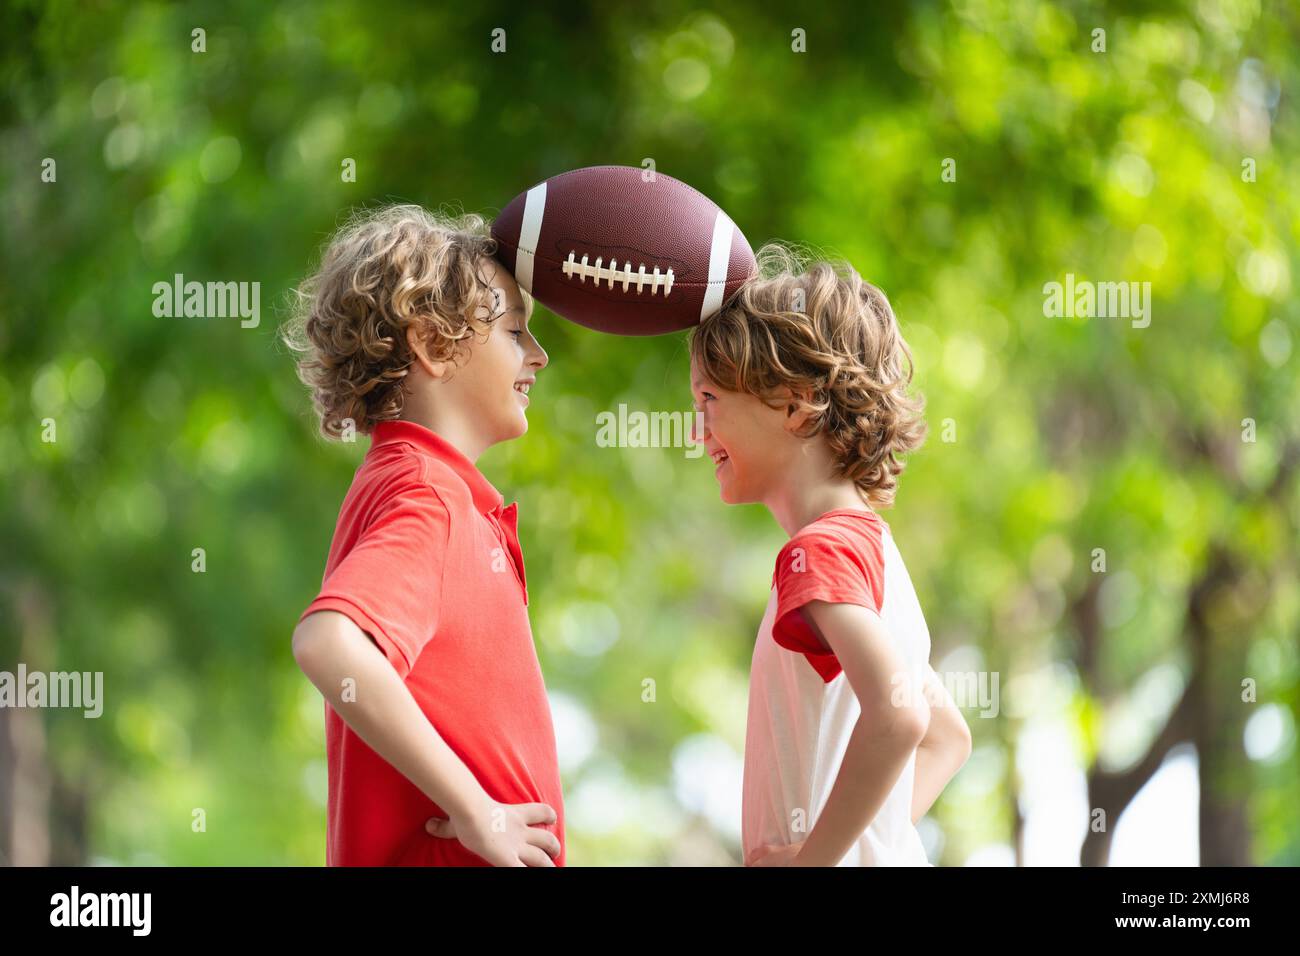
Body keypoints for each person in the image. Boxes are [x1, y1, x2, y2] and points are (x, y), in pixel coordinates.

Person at [283, 204, 563, 866]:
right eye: (516, 332)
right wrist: (477, 811)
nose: (539, 356)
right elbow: (329, 642)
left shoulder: (419, 486)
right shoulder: (428, 495)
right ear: (434, 344)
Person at [688, 242, 971, 866]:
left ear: (793, 403)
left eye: (709, 401)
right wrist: (870, 844)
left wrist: (815, 861)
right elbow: (947, 737)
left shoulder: (817, 555)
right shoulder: (870, 549)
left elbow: (899, 718)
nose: (695, 431)